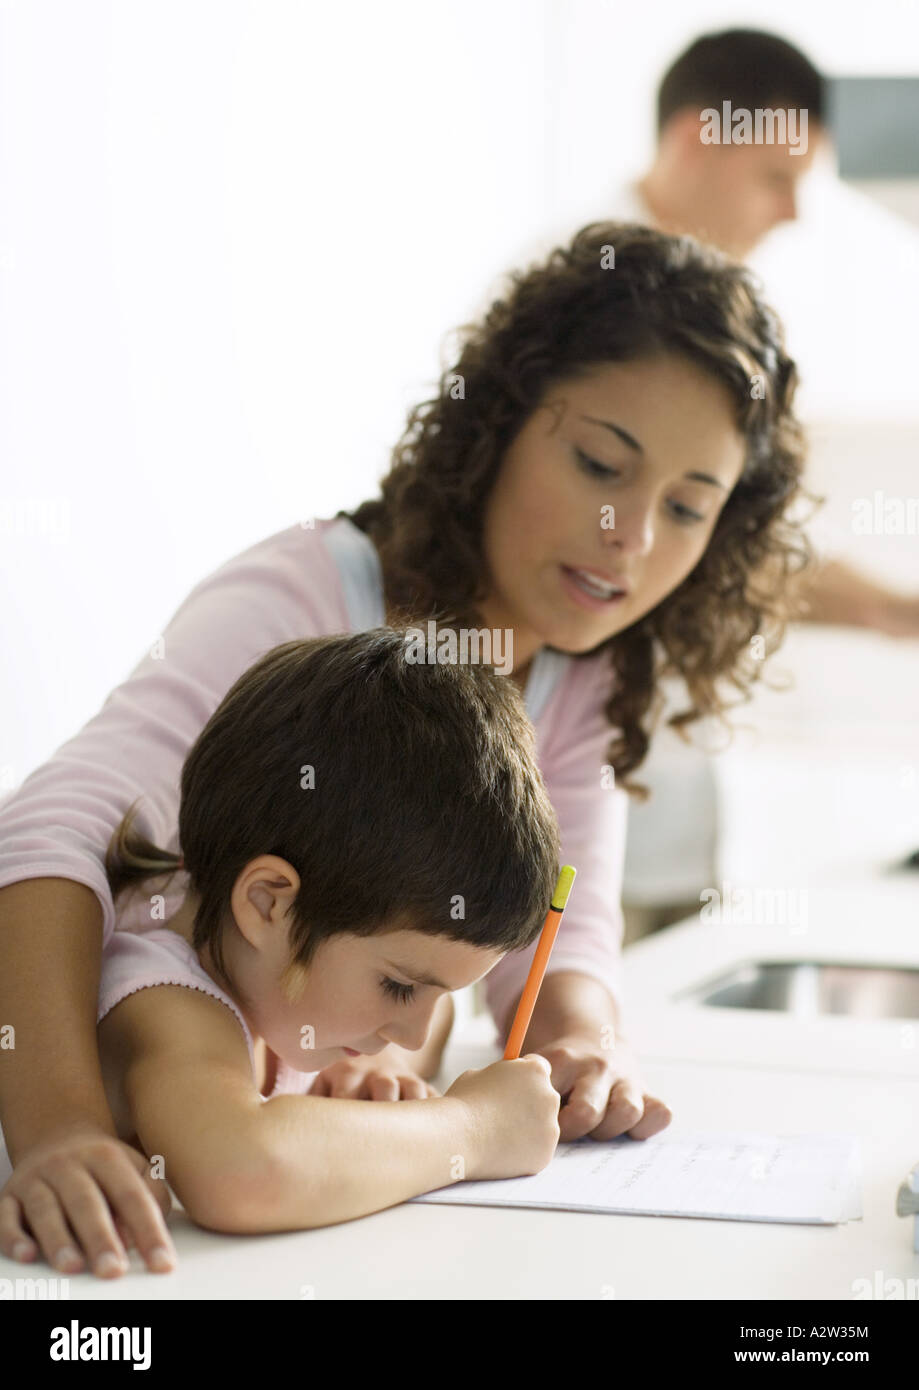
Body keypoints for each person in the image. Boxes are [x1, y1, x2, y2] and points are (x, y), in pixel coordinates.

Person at [0, 220, 811, 1278]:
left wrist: (577, 1047)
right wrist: (62, 1130)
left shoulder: (583, 673)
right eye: (601, 462)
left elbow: (560, 936)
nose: (633, 535)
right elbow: (55, 831)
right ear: (500, 426)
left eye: (688, 507)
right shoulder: (300, 599)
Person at [92, 630, 568, 1262]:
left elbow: (432, 1016)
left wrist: (374, 1069)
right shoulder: (161, 993)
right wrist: (474, 1130)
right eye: (399, 986)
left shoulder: (271, 962)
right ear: (267, 903)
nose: (415, 1033)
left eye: (440, 989)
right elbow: (241, 1173)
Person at [605, 28, 919, 640]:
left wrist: (896, 610)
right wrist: (894, 610)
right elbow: (725, 553)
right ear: (700, 140)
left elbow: (750, 539)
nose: (792, 213)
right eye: (778, 178)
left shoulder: (698, 302)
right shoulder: (598, 295)